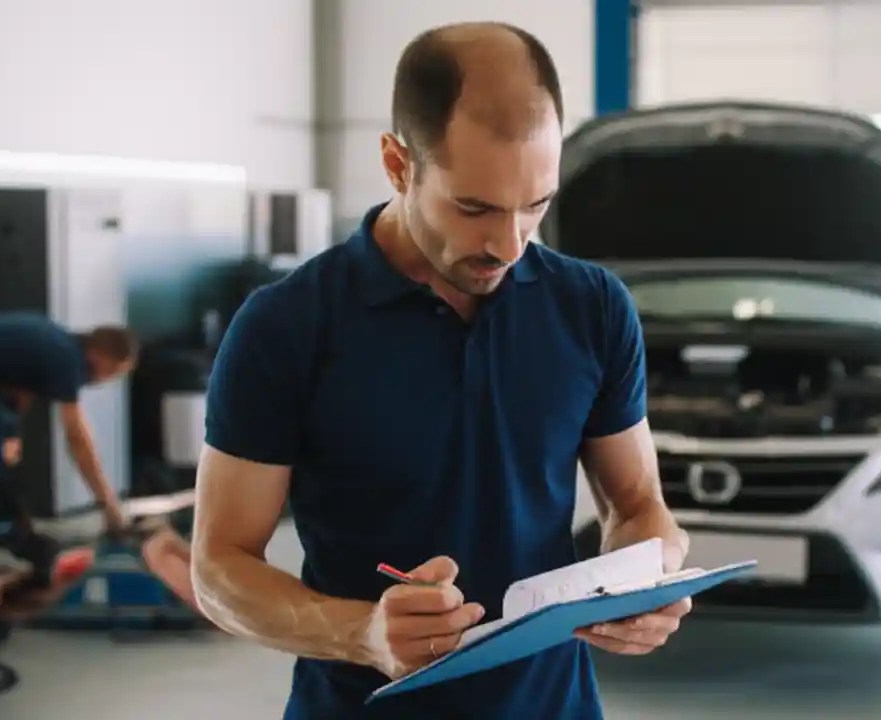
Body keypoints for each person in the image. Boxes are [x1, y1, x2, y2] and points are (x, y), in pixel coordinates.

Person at [191, 21, 691, 719]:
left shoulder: (592, 307)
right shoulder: (287, 326)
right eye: (474, 208)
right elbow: (219, 569)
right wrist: (361, 633)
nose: (509, 244)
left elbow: (640, 508)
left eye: (535, 207)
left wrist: (650, 581)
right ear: (399, 164)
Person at [0, 311, 136, 693]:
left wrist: (7, 434)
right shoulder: (67, 360)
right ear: (106, 358)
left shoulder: (50, 340)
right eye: (113, 375)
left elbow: (14, 389)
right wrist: (110, 508)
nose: (103, 382)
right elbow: (78, 440)